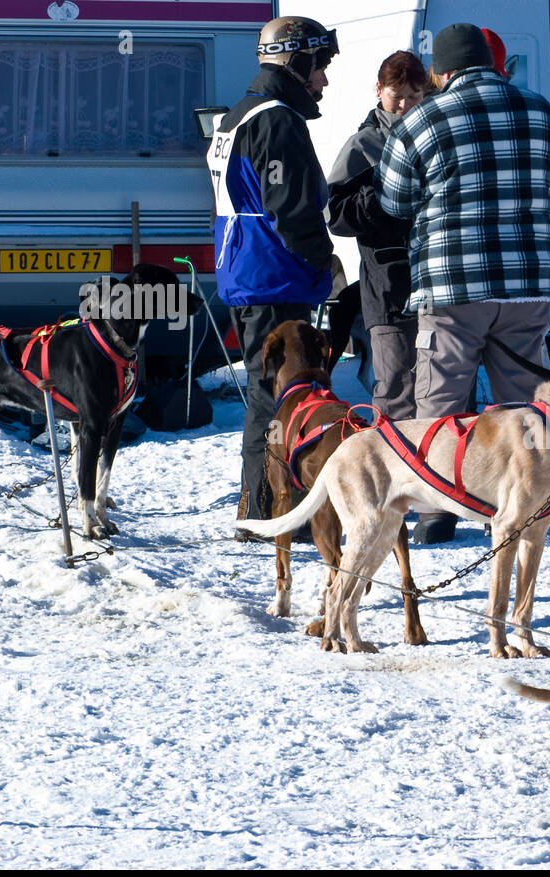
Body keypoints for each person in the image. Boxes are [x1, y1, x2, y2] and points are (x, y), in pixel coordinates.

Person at [376, 23, 550, 544]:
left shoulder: (421, 120)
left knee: (441, 401)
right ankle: (527, 498)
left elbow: (393, 201)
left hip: (452, 286)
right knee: (526, 403)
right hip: (527, 285)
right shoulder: (545, 114)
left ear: (440, 72)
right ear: (491, 62)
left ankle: (437, 510)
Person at [206, 16, 337, 526]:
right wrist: (321, 259)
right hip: (275, 274)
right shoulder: (277, 119)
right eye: (320, 66)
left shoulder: (236, 115)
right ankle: (268, 511)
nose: (324, 79)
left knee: (268, 395)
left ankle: (262, 507)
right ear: (297, 62)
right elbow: (291, 208)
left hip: (248, 271)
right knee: (280, 398)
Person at [326, 51, 427, 420]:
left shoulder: (438, 135)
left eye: (414, 96)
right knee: (397, 390)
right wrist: (382, 196)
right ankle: (390, 454)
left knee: (442, 393)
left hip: (441, 289)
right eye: (396, 96)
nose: (404, 106)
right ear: (378, 90)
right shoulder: (363, 145)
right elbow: (335, 214)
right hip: (388, 290)